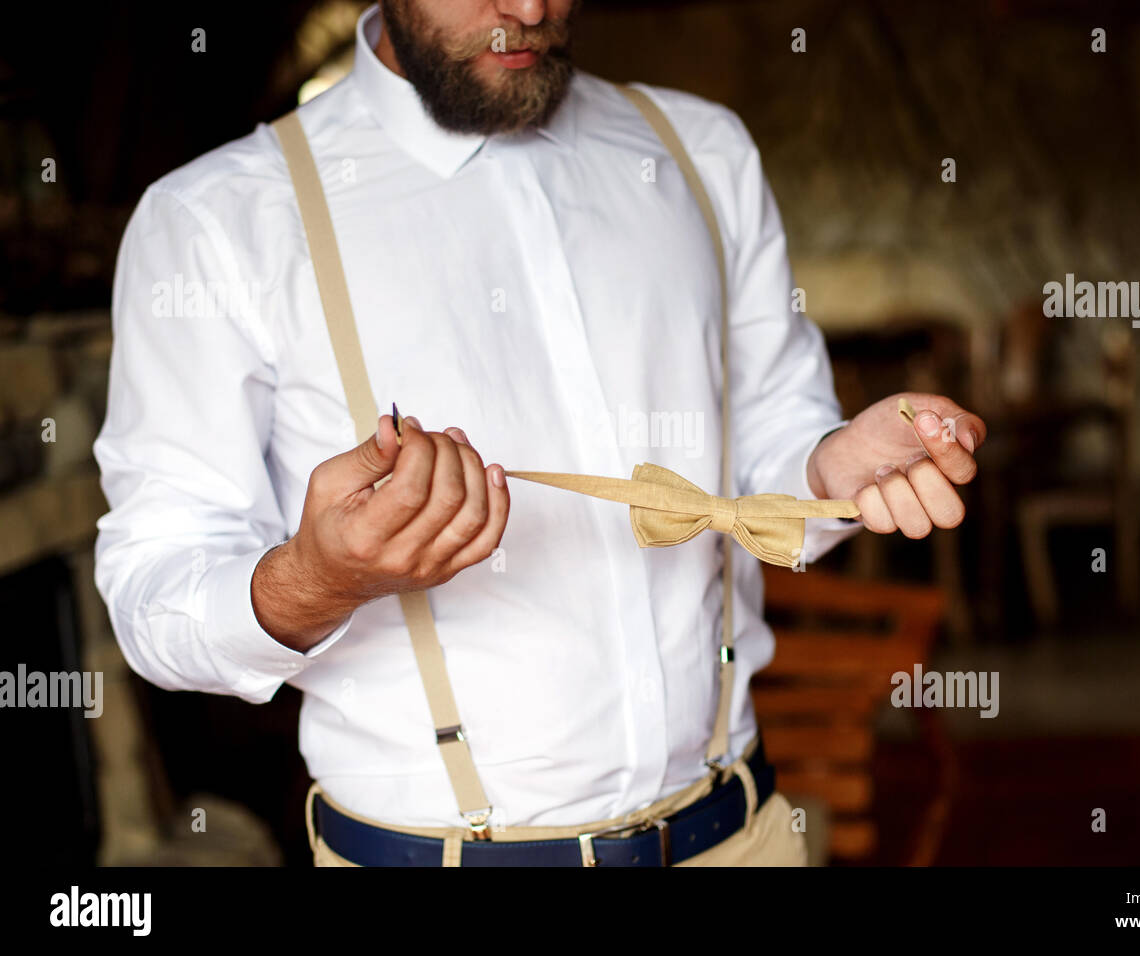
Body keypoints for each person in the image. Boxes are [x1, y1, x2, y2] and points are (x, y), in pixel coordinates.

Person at [93, 0, 986, 866]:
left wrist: (833, 467)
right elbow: (150, 592)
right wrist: (316, 581)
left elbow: (769, 436)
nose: (526, 7)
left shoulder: (701, 153)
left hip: (739, 837)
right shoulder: (215, 222)